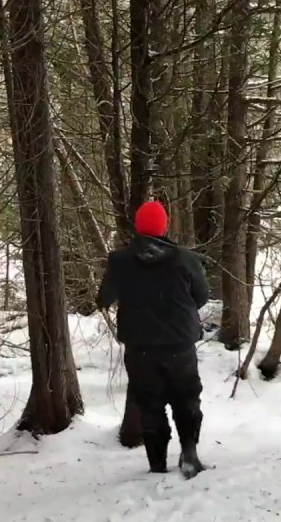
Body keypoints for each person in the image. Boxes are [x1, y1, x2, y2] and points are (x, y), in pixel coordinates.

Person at [97, 200, 210, 478]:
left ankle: (157, 465)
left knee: (150, 404)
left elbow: (103, 299)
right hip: (180, 344)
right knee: (187, 399)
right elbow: (202, 297)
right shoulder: (186, 259)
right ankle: (189, 454)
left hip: (141, 347)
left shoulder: (120, 261)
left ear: (138, 227)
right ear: (164, 226)